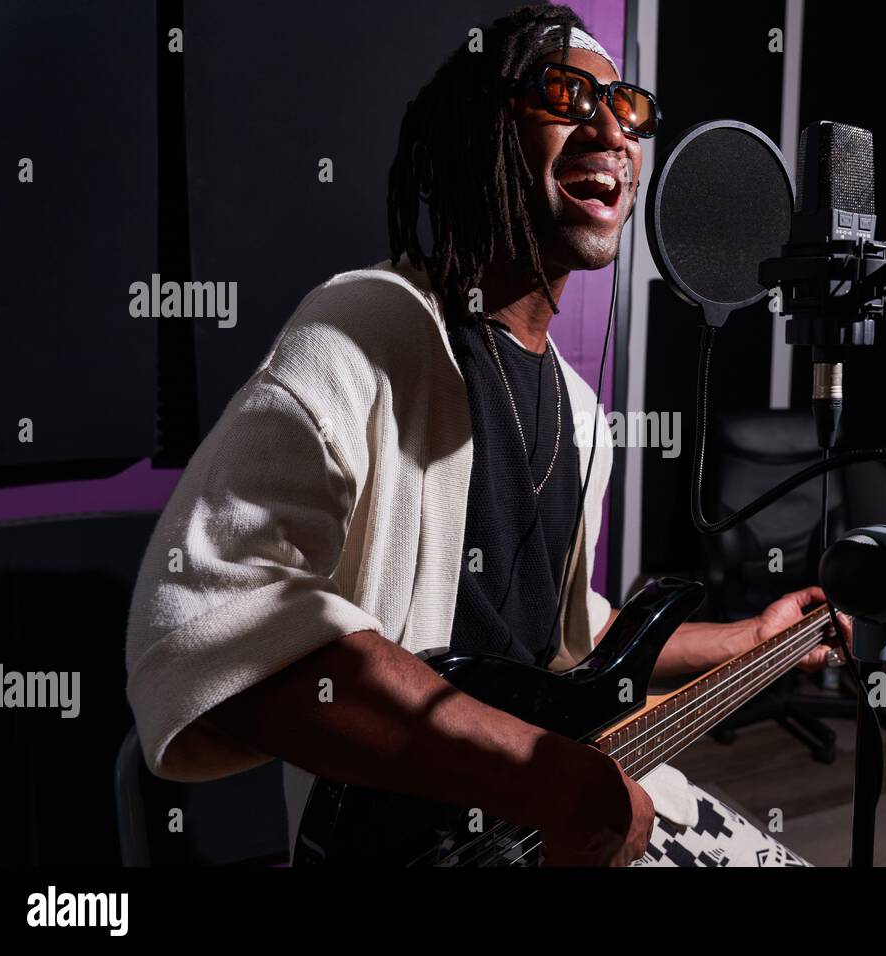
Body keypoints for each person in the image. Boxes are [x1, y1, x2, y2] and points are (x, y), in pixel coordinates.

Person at [125, 4, 846, 867]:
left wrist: (749, 641)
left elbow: (574, 642)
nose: (610, 128)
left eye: (628, 108)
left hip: (546, 821)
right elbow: (213, 613)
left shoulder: (583, 416)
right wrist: (540, 774)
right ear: (487, 131)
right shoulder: (368, 326)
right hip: (416, 841)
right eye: (568, 93)